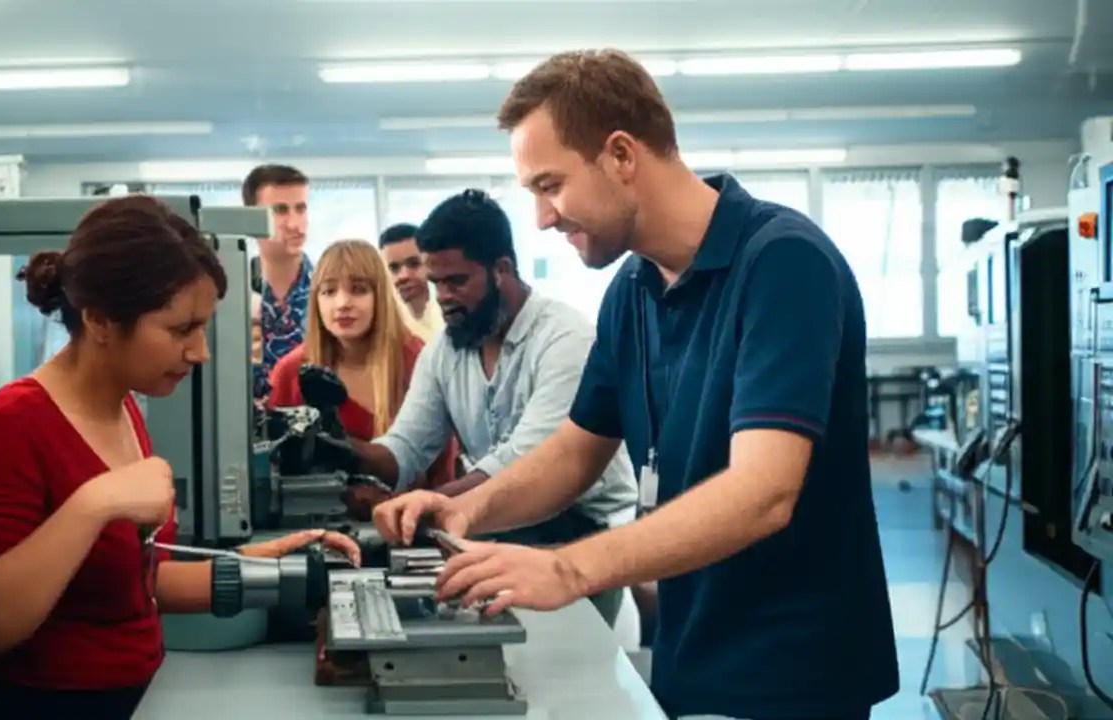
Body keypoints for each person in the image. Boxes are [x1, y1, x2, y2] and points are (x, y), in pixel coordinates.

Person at [372, 49, 900, 720]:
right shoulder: (632, 288)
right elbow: (575, 450)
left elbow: (763, 492)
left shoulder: (783, 264)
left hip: (791, 675)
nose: (542, 217)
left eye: (550, 185)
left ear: (621, 155)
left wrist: (565, 569)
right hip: (691, 656)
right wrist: (468, 512)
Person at [0, 196, 360, 720]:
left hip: (138, 696)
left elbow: (137, 582)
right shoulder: (13, 425)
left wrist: (269, 562)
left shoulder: (124, 407)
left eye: (202, 329)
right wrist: (93, 504)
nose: (200, 352)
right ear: (101, 320)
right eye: (180, 330)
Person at [344, 188, 639, 627]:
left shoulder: (565, 340)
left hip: (578, 540)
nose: (443, 296)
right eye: (436, 283)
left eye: (457, 281)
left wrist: (429, 503)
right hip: (496, 528)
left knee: (566, 663)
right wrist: (344, 452)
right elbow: (405, 447)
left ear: (502, 269)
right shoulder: (446, 350)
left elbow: (527, 461)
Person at [268, 238, 457, 491]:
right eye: (329, 291)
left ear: (381, 295)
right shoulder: (290, 371)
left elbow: (442, 471)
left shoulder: (418, 360)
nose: (343, 303)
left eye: (358, 290)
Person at [243, 163, 313, 402]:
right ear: (251, 219)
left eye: (301, 209)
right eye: (280, 210)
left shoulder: (330, 292)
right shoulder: (229, 296)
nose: (295, 224)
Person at [378, 222, 444, 342]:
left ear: (430, 262)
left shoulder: (453, 310)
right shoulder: (380, 324)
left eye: (414, 264)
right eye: (394, 268)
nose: (404, 276)